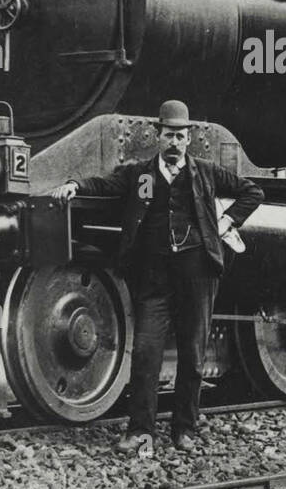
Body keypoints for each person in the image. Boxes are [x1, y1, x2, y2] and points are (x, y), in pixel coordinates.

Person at [51, 100, 264, 454]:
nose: (175, 142)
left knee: (193, 355)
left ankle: (186, 430)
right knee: (146, 353)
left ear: (188, 138)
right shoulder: (141, 174)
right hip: (153, 278)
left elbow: (252, 192)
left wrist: (224, 224)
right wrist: (75, 185)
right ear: (157, 135)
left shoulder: (206, 172)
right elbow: (105, 184)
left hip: (197, 274)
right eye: (169, 135)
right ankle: (140, 431)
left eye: (180, 136)